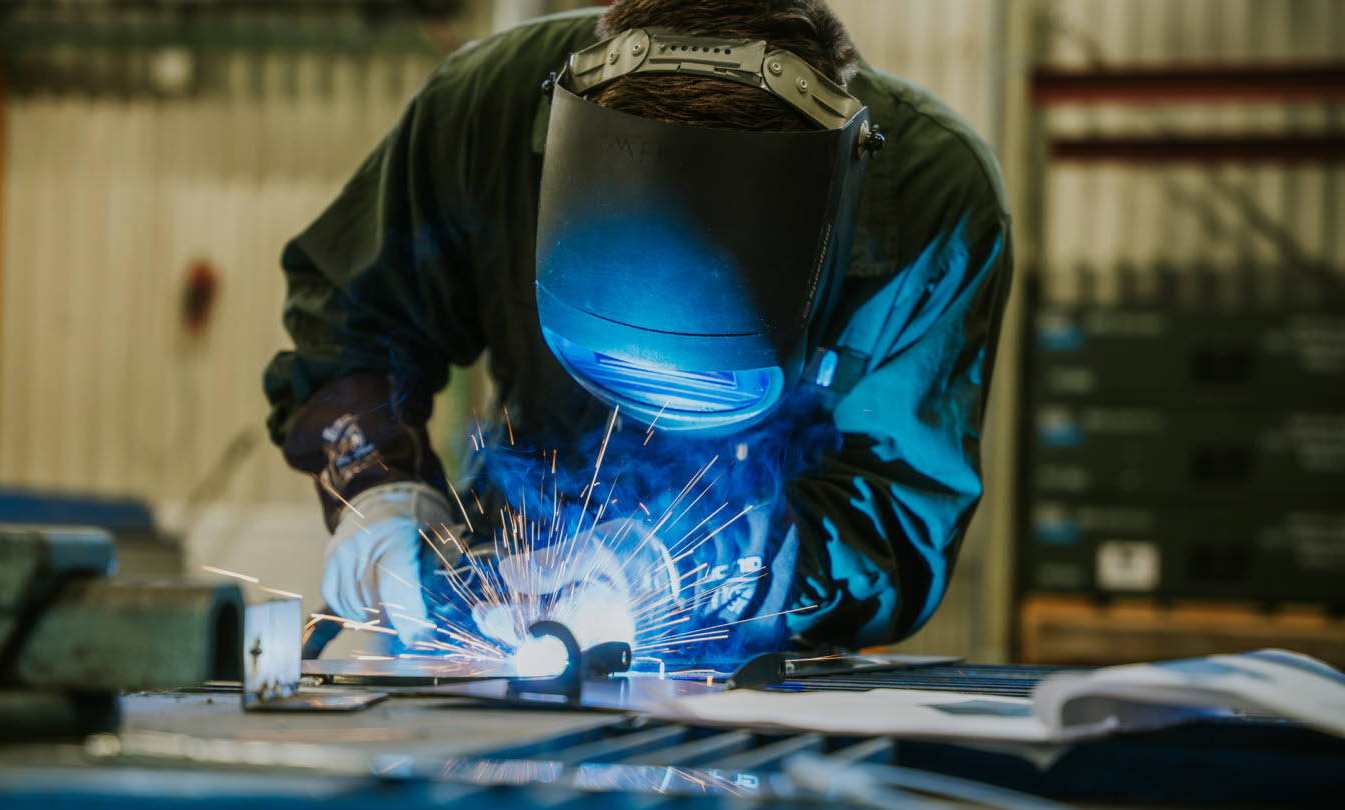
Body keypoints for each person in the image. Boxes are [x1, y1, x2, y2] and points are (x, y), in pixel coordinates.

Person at [265, 0, 1011, 659]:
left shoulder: (930, 201)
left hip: (761, 656)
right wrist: (378, 494)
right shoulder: (483, 112)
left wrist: (676, 564)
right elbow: (350, 326)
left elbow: (898, 522)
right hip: (505, 608)